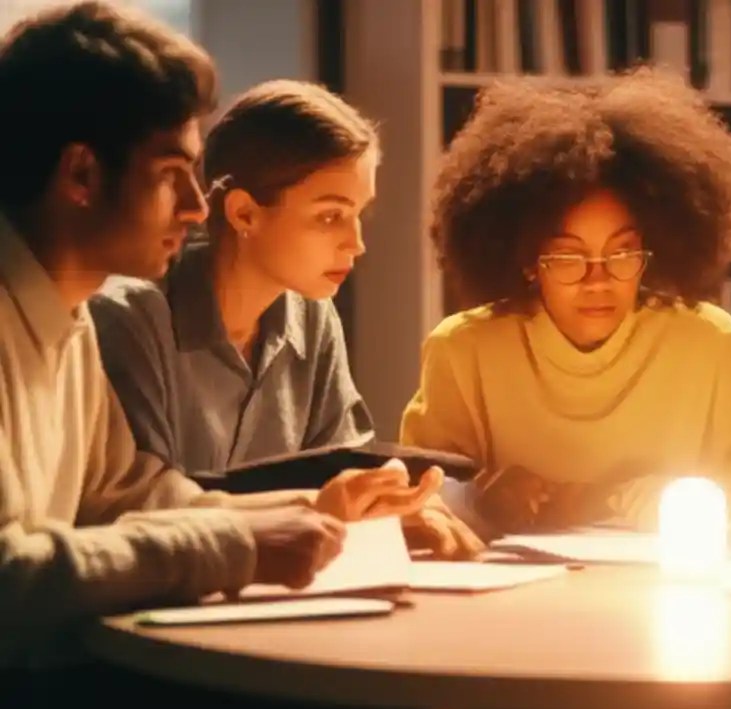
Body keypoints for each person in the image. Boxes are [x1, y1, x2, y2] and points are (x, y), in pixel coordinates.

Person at [0, 0, 432, 690]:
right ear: (81, 175)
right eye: (170, 174)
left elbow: (127, 494)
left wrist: (311, 514)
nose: (198, 207)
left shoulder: (66, 320)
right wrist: (233, 545)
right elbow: (9, 578)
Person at [90, 79, 482, 559]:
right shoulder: (129, 321)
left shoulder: (312, 318)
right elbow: (140, 508)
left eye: (359, 215)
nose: (356, 243)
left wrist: (392, 503)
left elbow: (342, 470)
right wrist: (323, 506)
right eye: (330, 216)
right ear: (244, 214)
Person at [399, 69, 731, 536]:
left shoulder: (710, 341)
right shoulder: (463, 350)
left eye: (621, 252)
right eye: (569, 257)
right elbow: (417, 499)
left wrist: (696, 496)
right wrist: (482, 500)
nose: (598, 280)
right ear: (527, 261)